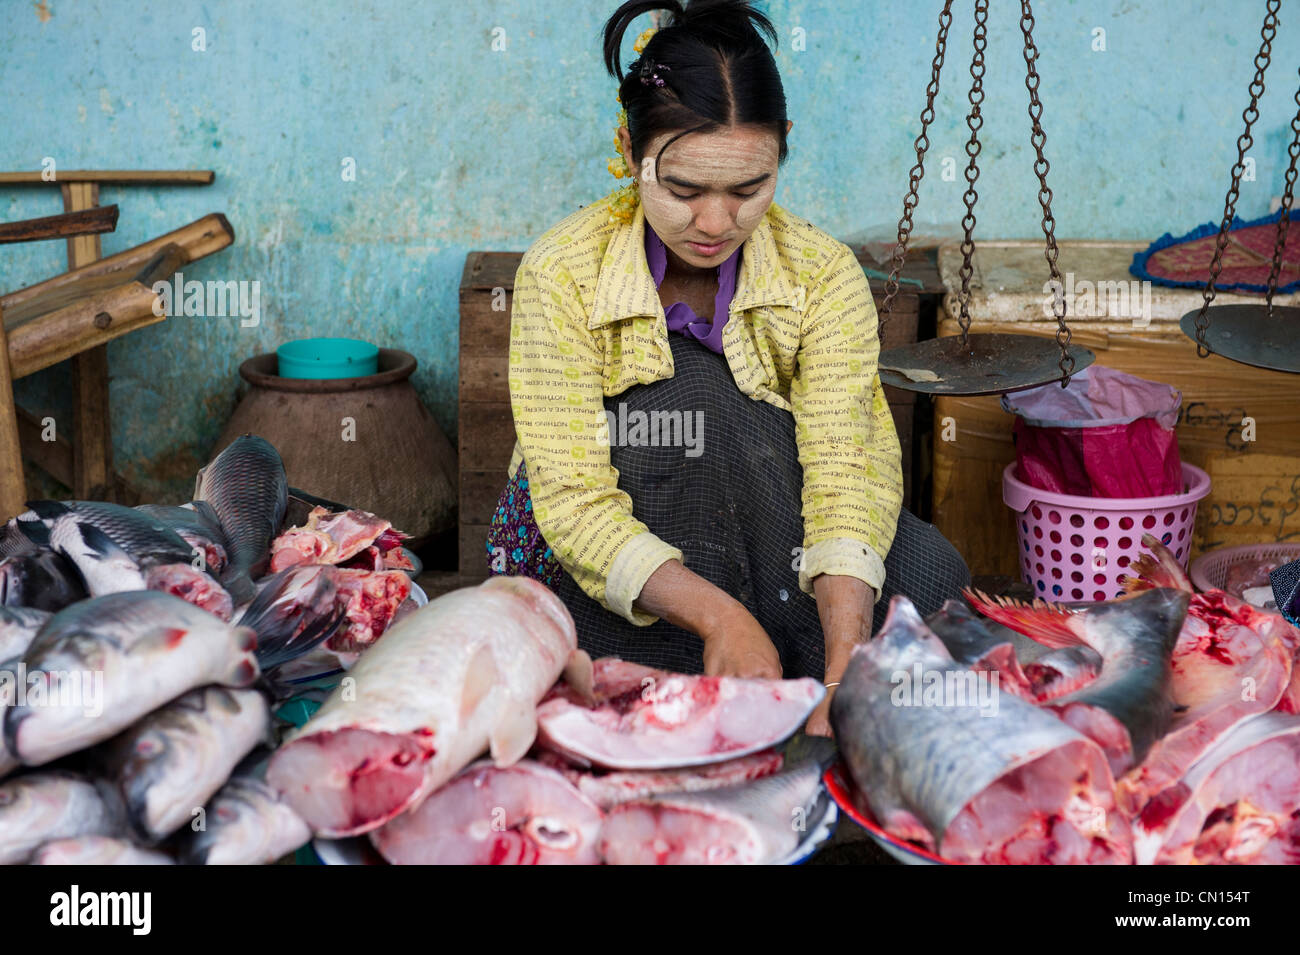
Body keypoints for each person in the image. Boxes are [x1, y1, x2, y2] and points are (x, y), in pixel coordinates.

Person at [487, 0, 970, 735]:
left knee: (930, 577)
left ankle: (783, 658)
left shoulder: (823, 275)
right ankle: (727, 641)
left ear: (784, 150)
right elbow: (576, 505)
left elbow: (844, 467)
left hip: (766, 523)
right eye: (683, 190)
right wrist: (720, 616)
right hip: (620, 548)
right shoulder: (563, 272)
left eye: (748, 190)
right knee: (689, 401)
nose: (715, 224)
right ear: (628, 148)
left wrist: (845, 664)